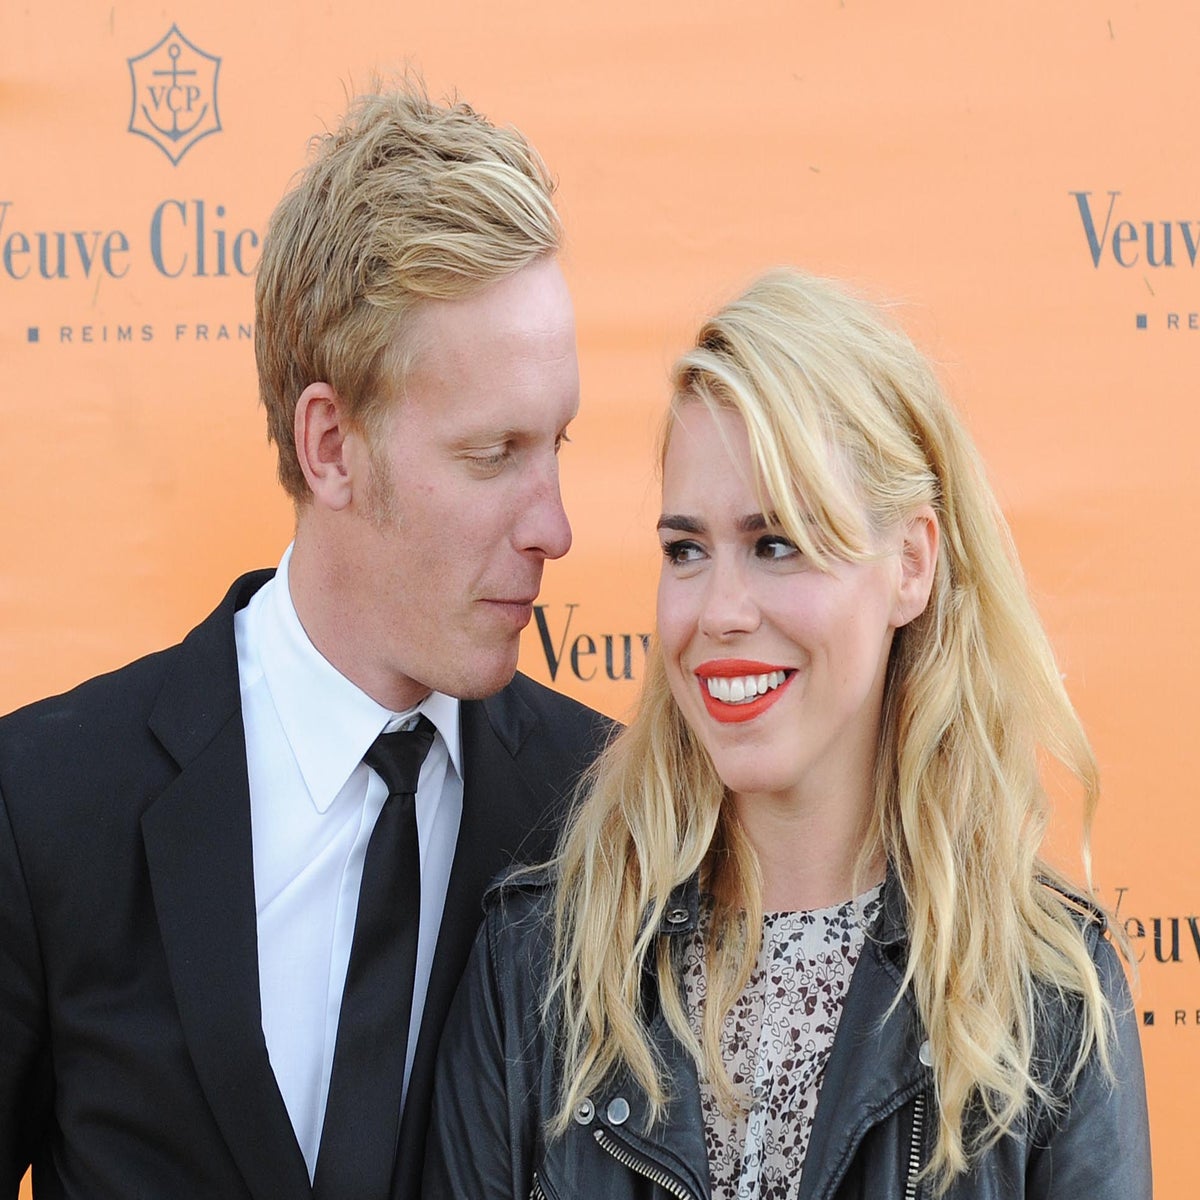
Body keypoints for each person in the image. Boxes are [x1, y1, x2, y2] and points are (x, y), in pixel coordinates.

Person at [0, 85, 610, 1200]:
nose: (555, 528)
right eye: (493, 455)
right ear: (331, 445)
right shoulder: (45, 808)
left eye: (557, 444)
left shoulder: (608, 815)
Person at [425, 268, 1152, 1199]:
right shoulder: (538, 968)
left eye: (777, 544)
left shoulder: (1047, 997)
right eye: (687, 549)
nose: (721, 610)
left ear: (911, 564)